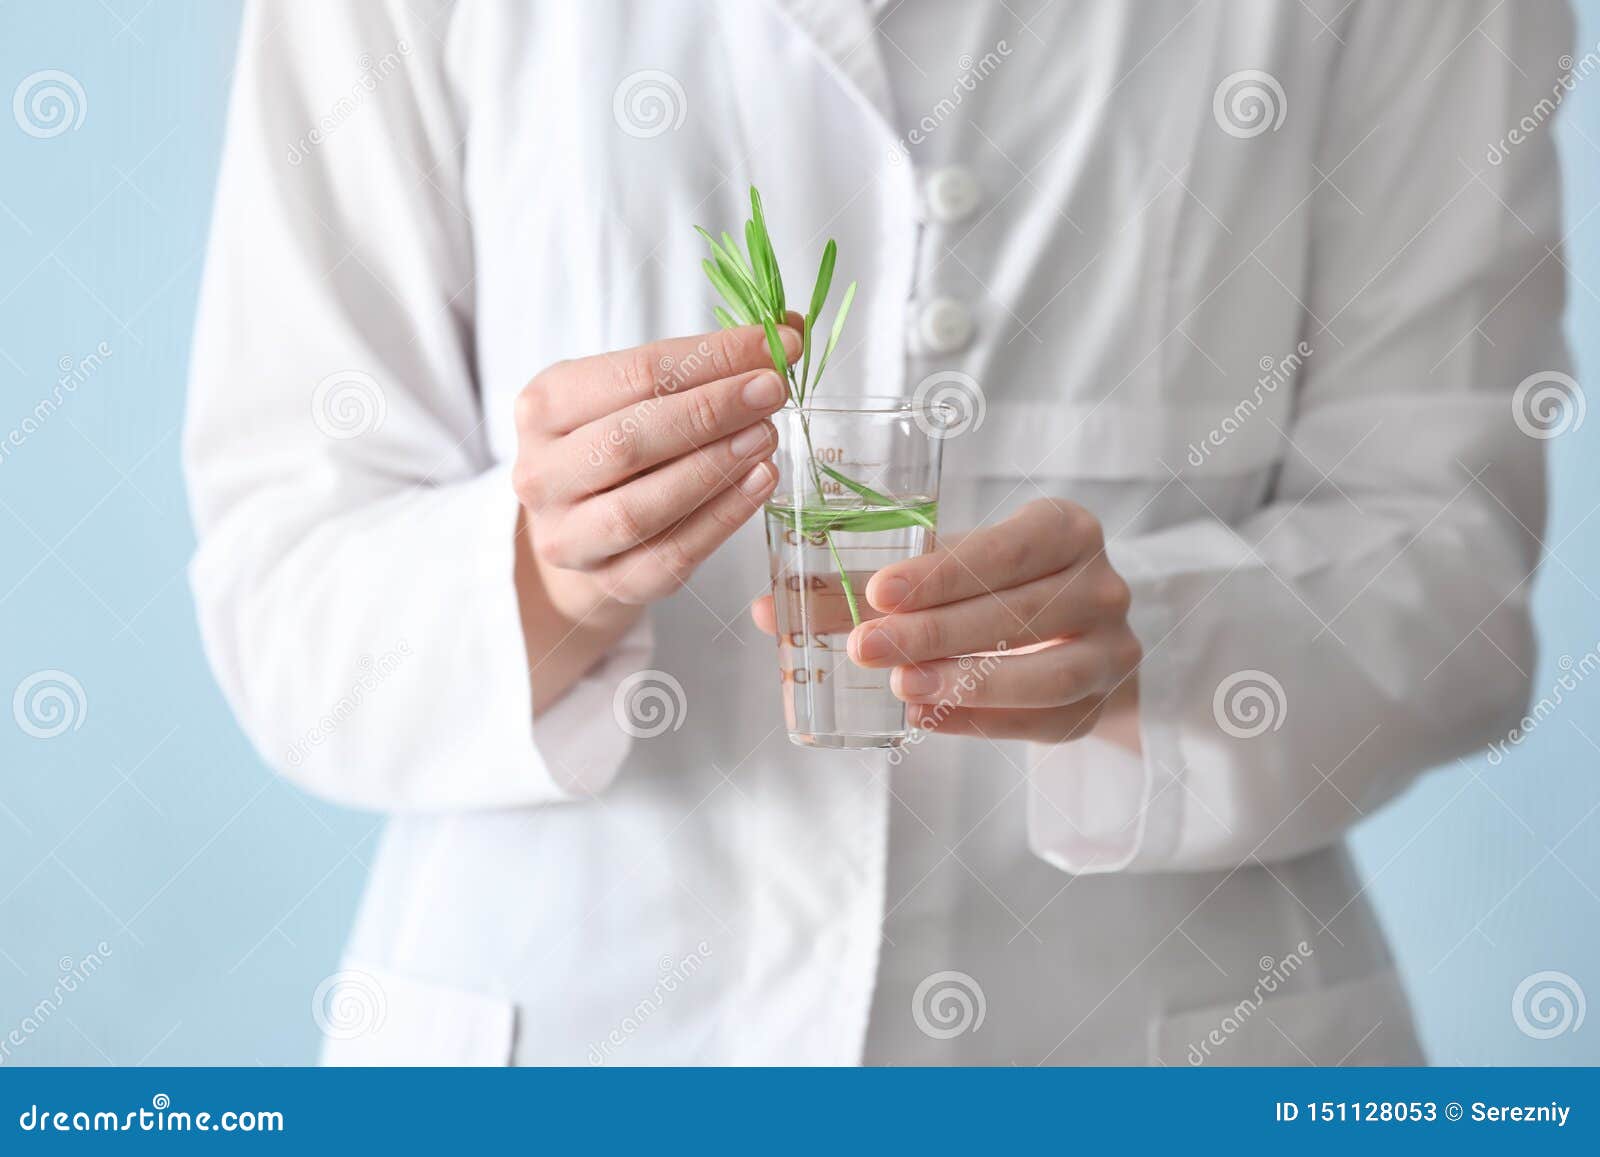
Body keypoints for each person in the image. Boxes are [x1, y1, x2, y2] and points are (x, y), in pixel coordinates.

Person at [185, 0, 1572, 1065]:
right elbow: (284, 569)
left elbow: (1452, 561)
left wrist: (1161, 642)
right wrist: (539, 575)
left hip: (1148, 1039)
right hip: (566, 1022)